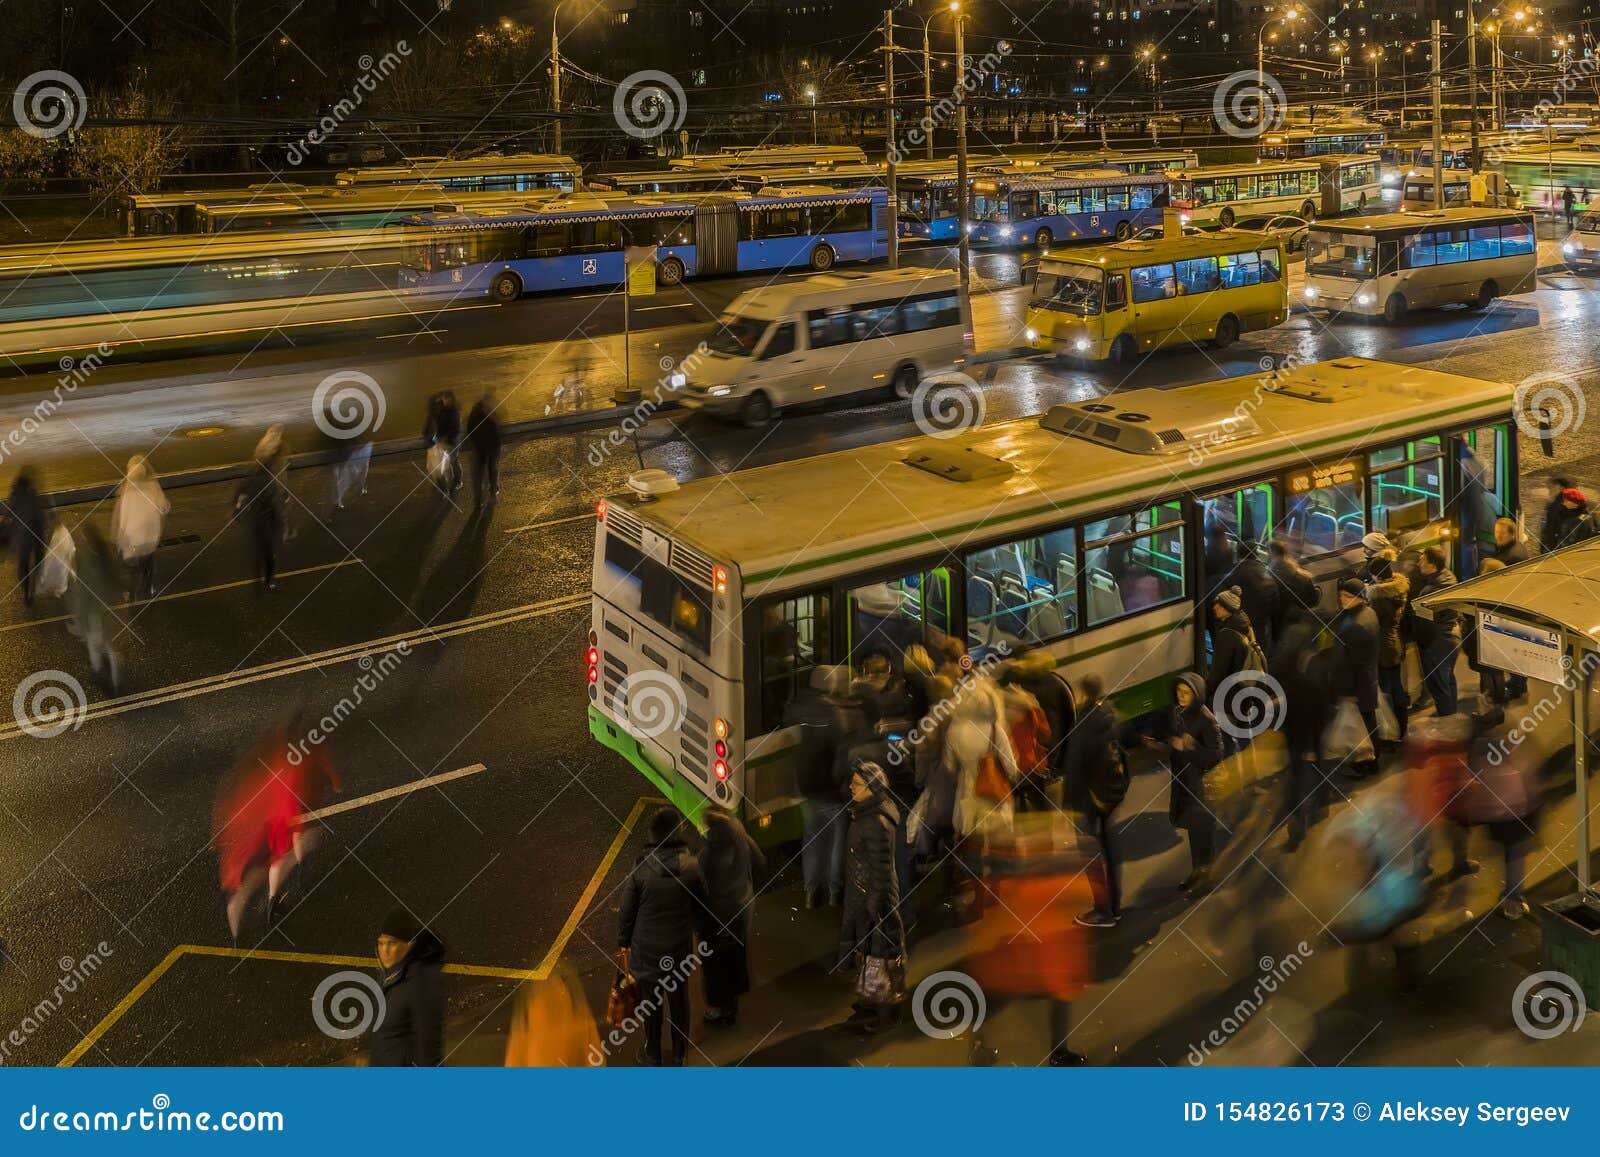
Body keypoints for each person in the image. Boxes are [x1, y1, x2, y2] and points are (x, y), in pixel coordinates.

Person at [616, 808, 707, 1066]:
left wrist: (623, 941)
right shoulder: (692, 867)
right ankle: (679, 1054)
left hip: (647, 953)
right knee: (679, 1001)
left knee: (651, 1004)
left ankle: (653, 1054)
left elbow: (626, 911)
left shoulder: (642, 869)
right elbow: (702, 907)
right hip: (678, 950)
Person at [838, 761, 907, 1033]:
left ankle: (884, 1016)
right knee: (870, 955)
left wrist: (872, 906)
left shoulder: (875, 821)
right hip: (866, 897)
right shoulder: (866, 814)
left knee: (882, 957)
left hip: (876, 901)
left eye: (856, 784)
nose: (851, 788)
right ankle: (870, 1005)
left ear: (871, 788)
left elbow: (881, 870)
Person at [1149, 673, 1223, 892]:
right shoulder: (1178, 713)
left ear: (1196, 694)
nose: (1181, 696)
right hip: (1184, 782)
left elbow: (1216, 755)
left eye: (1186, 692)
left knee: (1204, 836)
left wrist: (1191, 747)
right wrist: (1164, 745)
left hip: (1202, 787)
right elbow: (1177, 744)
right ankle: (1196, 873)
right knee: (1193, 830)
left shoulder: (1206, 719)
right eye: (1179, 691)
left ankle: (1205, 879)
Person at [786, 665, 852, 909]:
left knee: (812, 840)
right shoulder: (835, 715)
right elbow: (840, 755)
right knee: (836, 842)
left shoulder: (801, 707)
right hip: (830, 788)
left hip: (807, 786)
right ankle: (835, 893)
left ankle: (812, 892)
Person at [1063, 674, 1125, 925]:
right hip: (1107, 793)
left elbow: (1074, 766)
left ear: (1082, 693)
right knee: (1109, 851)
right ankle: (1115, 905)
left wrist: (1069, 804)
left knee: (1089, 854)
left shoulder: (1084, 722)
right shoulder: (1109, 713)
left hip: (1087, 799)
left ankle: (1102, 910)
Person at [698, 807, 765, 1027]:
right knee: (735, 956)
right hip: (741, 910)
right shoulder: (742, 838)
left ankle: (719, 1008)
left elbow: (698, 888)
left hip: (716, 917)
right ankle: (732, 1004)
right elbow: (760, 863)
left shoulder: (708, 853)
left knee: (714, 965)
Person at [1270, 617, 1331, 849]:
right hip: (1308, 725)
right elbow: (1324, 698)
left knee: (1298, 771)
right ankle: (1312, 808)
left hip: (1298, 725)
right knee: (1311, 766)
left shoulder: (1286, 664)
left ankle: (1300, 817)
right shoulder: (1317, 663)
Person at [369, 908, 446, 1067]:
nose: (385, 951)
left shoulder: (421, 982)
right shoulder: (392, 974)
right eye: (381, 943)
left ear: (409, 944)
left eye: (392, 943)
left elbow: (429, 1046)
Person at [1331, 577, 1382, 776]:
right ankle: (1373, 761)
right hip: (1367, 681)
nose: (1342, 599)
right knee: (1368, 722)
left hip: (1358, 685)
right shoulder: (1368, 613)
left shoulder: (1355, 625)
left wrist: (1349, 691)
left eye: (1348, 596)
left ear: (1359, 597)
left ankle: (1364, 765)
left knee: (1359, 726)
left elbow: (1351, 663)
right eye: (1341, 595)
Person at [68, 525, 124, 692]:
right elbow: (116, 579)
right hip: (109, 608)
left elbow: (84, 593)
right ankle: (115, 678)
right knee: (108, 643)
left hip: (95, 613)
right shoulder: (106, 555)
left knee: (94, 643)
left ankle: (98, 670)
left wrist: (79, 614)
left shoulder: (86, 562)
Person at [1366, 553, 1410, 750]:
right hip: (1396, 644)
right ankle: (1402, 729)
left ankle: (1392, 734)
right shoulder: (1399, 590)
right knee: (1397, 689)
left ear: (1377, 576)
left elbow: (1373, 623)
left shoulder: (1379, 598)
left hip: (1384, 649)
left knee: (1387, 692)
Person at [1412, 545, 1462, 718]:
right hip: (1452, 637)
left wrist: (1423, 644)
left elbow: (1423, 622)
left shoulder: (1429, 592)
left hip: (1438, 643)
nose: (1419, 563)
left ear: (1432, 565)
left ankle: (1447, 722)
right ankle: (1452, 714)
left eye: (1423, 561)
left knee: (1439, 687)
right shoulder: (1448, 577)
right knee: (1448, 681)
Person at [111, 455, 169, 600]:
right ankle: (149, 587)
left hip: (133, 538)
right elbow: (164, 507)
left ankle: (131, 592)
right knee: (148, 562)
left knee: (132, 568)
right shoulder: (153, 487)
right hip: (150, 537)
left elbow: (123, 517)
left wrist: (119, 536)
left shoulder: (127, 490)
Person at [234, 459, 284, 592]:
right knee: (269, 553)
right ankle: (269, 580)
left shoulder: (249, 481)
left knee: (257, 552)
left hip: (254, 521)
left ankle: (258, 579)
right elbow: (276, 505)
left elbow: (239, 497)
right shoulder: (270, 482)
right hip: (266, 522)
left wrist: (237, 512)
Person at [2, 470, 48, 610]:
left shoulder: (14, 497)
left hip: (21, 540)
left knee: (23, 567)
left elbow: (9, 517)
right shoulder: (34, 496)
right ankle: (36, 586)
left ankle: (27, 591)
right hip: (36, 537)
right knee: (39, 563)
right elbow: (41, 518)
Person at [1229, 541, 1278, 653]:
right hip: (1262, 627)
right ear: (1255, 555)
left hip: (1242, 628)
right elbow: (1275, 605)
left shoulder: (1235, 574)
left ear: (1238, 555)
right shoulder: (1267, 572)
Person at [1266, 538, 1318, 637]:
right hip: (1299, 623)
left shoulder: (1269, 575)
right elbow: (1313, 601)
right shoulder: (1303, 575)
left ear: (1272, 553)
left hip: (1278, 624)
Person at [465, 392, 502, 509]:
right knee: (492, 470)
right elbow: (497, 433)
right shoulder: (492, 415)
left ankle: (478, 499)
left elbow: (469, 431)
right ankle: (491, 493)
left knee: (478, 474)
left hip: (480, 449)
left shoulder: (474, 414)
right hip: (489, 448)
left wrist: (472, 446)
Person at [423, 390, 463, 494]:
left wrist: (445, 437)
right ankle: (444, 484)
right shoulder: (441, 409)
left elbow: (456, 429)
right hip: (442, 440)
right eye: (443, 398)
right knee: (442, 462)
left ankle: (457, 481)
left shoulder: (454, 412)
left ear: (451, 399)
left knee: (453, 461)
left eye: (446, 398)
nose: (444, 400)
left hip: (452, 441)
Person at [1541, 477, 1576, 552]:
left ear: (1561, 488)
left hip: (1556, 547)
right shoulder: (1553, 503)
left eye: (1552, 487)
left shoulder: (1560, 506)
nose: (1549, 491)